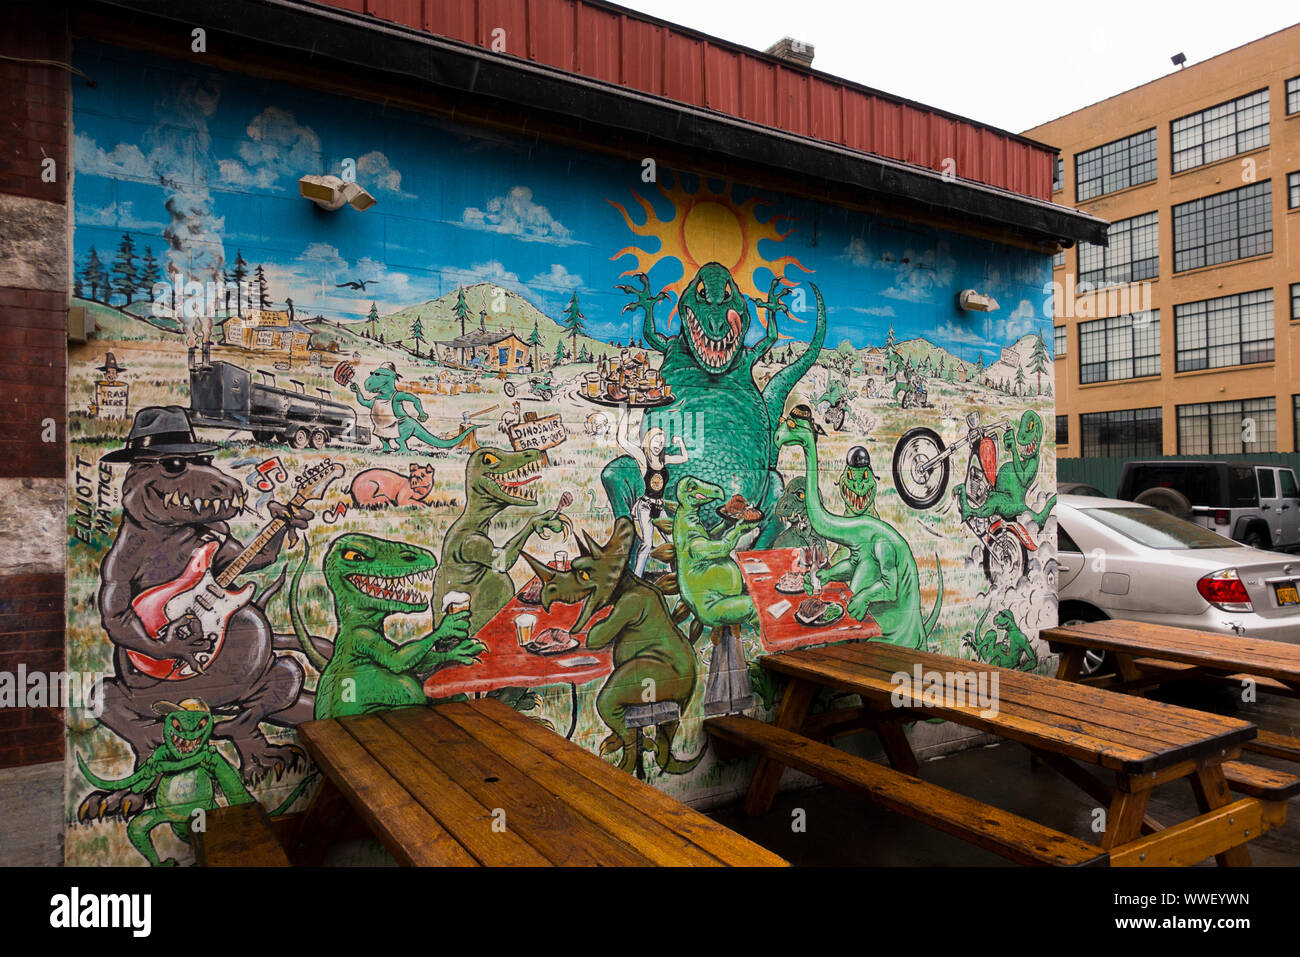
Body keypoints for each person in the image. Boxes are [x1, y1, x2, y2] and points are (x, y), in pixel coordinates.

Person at [615, 403, 687, 576]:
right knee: (647, 543)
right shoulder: (643, 457)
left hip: (659, 507)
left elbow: (684, 457)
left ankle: (678, 575)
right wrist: (625, 411)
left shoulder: (663, 460)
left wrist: (680, 442)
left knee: (672, 541)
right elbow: (622, 441)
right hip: (646, 507)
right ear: (648, 440)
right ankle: (637, 578)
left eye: (662, 442)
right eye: (656, 440)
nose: (659, 445)